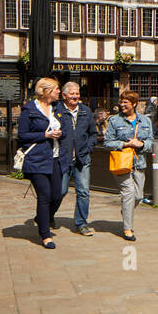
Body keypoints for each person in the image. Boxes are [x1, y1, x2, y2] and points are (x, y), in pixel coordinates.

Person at [17, 77, 65, 248]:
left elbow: (65, 128)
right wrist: (45, 135)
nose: (60, 92)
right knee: (44, 196)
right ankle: (45, 235)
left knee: (57, 194)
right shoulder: (29, 109)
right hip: (36, 159)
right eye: (57, 89)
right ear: (46, 91)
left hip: (55, 158)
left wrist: (61, 133)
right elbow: (22, 135)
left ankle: (41, 218)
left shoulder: (57, 108)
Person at [103, 90, 153, 242]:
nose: (122, 104)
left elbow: (151, 142)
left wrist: (142, 144)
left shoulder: (145, 121)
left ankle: (126, 211)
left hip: (139, 163)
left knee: (138, 196)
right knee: (129, 193)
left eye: (125, 102)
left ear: (134, 104)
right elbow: (107, 142)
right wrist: (126, 144)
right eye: (121, 101)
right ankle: (127, 229)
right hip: (121, 163)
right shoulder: (114, 121)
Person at [55, 81, 97, 235]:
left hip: (82, 158)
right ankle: (48, 216)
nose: (75, 96)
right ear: (64, 95)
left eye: (77, 93)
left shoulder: (86, 111)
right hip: (62, 158)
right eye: (72, 93)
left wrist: (88, 148)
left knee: (84, 192)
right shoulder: (56, 110)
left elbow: (93, 133)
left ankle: (81, 223)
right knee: (60, 191)